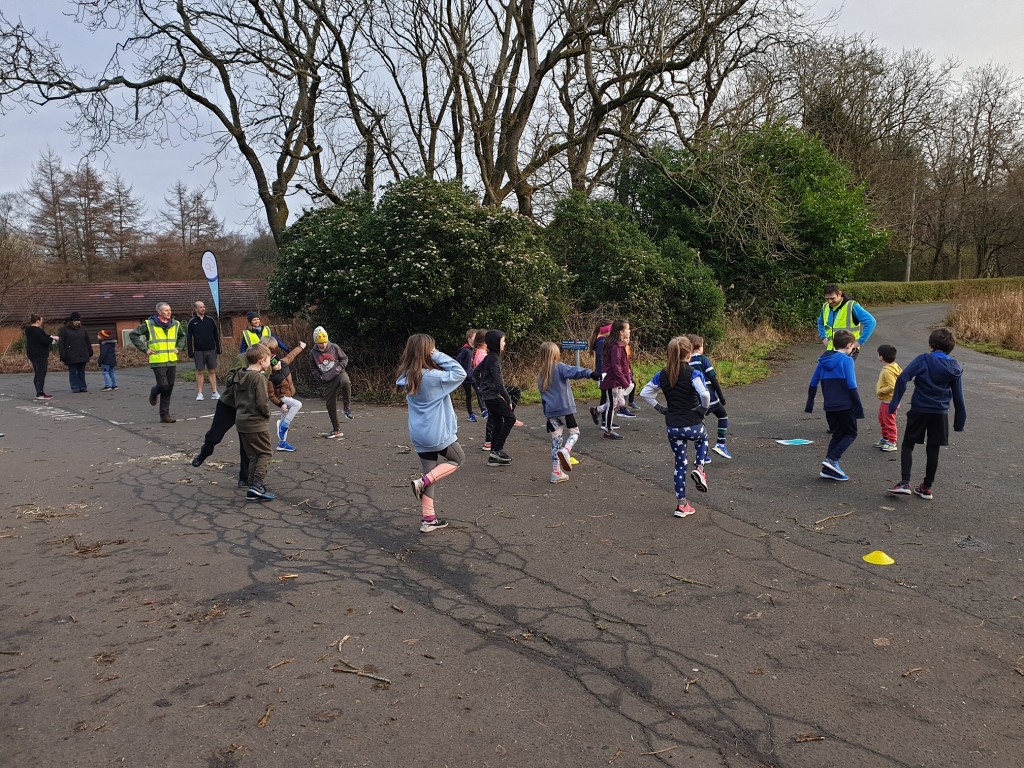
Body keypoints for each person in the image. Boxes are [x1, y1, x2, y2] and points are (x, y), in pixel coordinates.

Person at [397, 334, 467, 533]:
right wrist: (436, 354)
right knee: (458, 459)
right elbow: (460, 372)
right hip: (437, 433)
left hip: (418, 434)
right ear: (428, 351)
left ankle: (428, 519)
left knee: (431, 472)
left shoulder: (407, 376)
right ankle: (422, 482)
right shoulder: (433, 378)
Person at [887, 328, 966, 500]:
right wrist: (959, 422)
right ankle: (926, 487)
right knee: (933, 448)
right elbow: (958, 397)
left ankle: (905, 482)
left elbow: (902, 378)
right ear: (951, 348)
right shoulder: (955, 367)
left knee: (908, 444)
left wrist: (893, 404)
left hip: (920, 409)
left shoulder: (924, 359)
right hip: (940, 412)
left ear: (931, 345)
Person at [640, 336, 711, 518]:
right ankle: (700, 468)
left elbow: (645, 393)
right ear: (688, 353)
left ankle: (682, 505)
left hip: (673, 426)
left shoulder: (663, 374)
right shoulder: (693, 373)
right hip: (693, 423)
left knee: (680, 463)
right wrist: (702, 409)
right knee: (703, 439)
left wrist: (661, 408)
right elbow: (705, 395)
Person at [805, 329, 865, 481]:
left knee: (838, 434)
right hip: (845, 405)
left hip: (830, 406)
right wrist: (858, 406)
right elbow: (852, 385)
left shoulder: (822, 361)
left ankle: (828, 469)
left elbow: (813, 383)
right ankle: (831, 459)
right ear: (849, 345)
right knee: (851, 433)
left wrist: (809, 404)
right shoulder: (847, 360)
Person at [537, 341, 600, 484]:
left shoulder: (540, 374)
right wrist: (591, 374)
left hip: (551, 412)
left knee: (555, 441)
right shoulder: (559, 367)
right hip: (565, 409)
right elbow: (576, 371)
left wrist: (547, 414)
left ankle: (556, 472)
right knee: (574, 433)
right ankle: (567, 450)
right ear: (555, 354)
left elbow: (543, 397)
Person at [191, 349, 253, 488]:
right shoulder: (242, 359)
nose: (269, 360)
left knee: (246, 442)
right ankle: (205, 451)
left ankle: (245, 477)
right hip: (229, 404)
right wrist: (244, 374)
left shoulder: (269, 365)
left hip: (247, 407)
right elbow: (229, 380)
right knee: (215, 435)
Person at [227, 343, 276, 501]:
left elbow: (236, 398)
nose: (269, 363)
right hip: (255, 422)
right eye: (269, 359)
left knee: (253, 454)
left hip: (241, 421)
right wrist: (266, 414)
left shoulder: (239, 375)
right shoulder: (259, 378)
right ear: (262, 360)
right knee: (265, 453)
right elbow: (262, 401)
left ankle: (252, 485)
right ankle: (257, 483)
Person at [129, 302, 186, 423]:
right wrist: (145, 349)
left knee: (169, 387)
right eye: (166, 310)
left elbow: (182, 336)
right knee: (163, 386)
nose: (169, 312)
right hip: (157, 360)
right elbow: (133, 334)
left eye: (170, 310)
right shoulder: (149, 324)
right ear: (159, 312)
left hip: (171, 359)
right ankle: (153, 392)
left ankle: (164, 415)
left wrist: (179, 347)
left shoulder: (176, 324)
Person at [474, 329, 516, 466]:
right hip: (493, 396)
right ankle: (497, 449)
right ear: (495, 342)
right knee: (510, 418)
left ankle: (493, 457)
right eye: (503, 341)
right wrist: (508, 400)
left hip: (487, 396)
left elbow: (475, 372)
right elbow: (499, 384)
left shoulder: (488, 357)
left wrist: (481, 387)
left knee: (498, 422)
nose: (504, 343)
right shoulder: (494, 360)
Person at [686, 334, 731, 460]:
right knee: (723, 415)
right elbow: (713, 378)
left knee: (700, 425)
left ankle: (701, 455)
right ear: (698, 346)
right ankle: (721, 444)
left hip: (695, 399)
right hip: (709, 396)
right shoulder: (702, 359)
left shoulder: (686, 361)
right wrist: (721, 396)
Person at [264, 336, 308, 452]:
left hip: (289, 395)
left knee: (284, 419)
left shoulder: (282, 363)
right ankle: (284, 425)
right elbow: (271, 394)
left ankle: (282, 443)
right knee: (297, 405)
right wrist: (280, 404)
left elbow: (291, 355)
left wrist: (301, 347)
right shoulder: (270, 378)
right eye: (275, 365)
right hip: (283, 398)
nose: (278, 365)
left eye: (278, 363)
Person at [308, 325, 352, 438]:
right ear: (316, 342)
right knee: (330, 405)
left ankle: (347, 407)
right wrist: (320, 377)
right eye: (320, 343)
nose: (322, 345)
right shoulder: (313, 353)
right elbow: (313, 368)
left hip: (338, 373)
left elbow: (344, 358)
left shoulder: (334, 347)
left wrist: (339, 368)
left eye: (324, 342)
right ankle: (336, 429)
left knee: (346, 382)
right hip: (327, 379)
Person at [594, 320, 631, 440]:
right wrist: (625, 382)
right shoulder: (615, 347)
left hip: (616, 380)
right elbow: (616, 366)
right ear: (621, 332)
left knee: (618, 403)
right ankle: (608, 430)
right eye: (627, 329)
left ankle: (596, 410)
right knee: (611, 404)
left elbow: (624, 365)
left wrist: (627, 379)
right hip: (611, 379)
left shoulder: (620, 345)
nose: (629, 331)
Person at [818, 285, 876, 357]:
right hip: (832, 348)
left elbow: (871, 322)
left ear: (840, 294)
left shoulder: (851, 305)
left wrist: (859, 342)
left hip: (848, 349)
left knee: (841, 368)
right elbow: (820, 322)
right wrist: (823, 338)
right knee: (825, 366)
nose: (830, 301)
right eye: (827, 299)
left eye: (832, 298)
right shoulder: (825, 306)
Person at [186, 300, 222, 401]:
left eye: (204, 306)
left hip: (211, 350)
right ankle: (200, 393)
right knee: (200, 371)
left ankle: (215, 392)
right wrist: (190, 351)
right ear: (196, 309)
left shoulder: (210, 320)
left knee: (212, 371)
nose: (203, 308)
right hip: (198, 351)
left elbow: (216, 335)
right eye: (201, 307)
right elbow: (189, 337)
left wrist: (218, 348)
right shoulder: (192, 322)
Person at [874, 344, 902, 452]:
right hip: (886, 400)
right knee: (882, 419)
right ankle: (885, 438)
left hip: (888, 401)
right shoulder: (894, 366)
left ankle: (892, 441)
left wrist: (881, 391)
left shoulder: (887, 371)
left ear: (881, 357)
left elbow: (892, 385)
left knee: (889, 421)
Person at [24, 314, 58, 400]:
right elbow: (44, 340)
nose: (42, 322)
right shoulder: (37, 331)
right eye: (41, 320)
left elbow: (43, 336)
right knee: (41, 373)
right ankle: (39, 393)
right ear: (38, 321)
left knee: (38, 372)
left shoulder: (30, 330)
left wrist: (51, 336)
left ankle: (40, 392)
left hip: (33, 354)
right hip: (39, 354)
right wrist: (53, 340)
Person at [58, 312, 93, 393]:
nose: (78, 322)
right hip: (70, 354)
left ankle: (82, 386)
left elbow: (87, 341)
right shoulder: (64, 330)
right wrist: (62, 354)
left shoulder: (82, 329)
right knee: (73, 371)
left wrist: (90, 351)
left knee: (81, 371)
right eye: (76, 321)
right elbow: (61, 343)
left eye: (79, 321)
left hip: (82, 353)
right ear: (72, 321)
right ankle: (75, 387)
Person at [454, 329, 484, 422]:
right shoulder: (464, 350)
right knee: (468, 395)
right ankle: (471, 414)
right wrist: (462, 372)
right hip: (466, 377)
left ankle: (483, 410)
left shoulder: (476, 350)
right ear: (469, 339)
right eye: (475, 337)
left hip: (475, 376)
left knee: (480, 392)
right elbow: (457, 362)